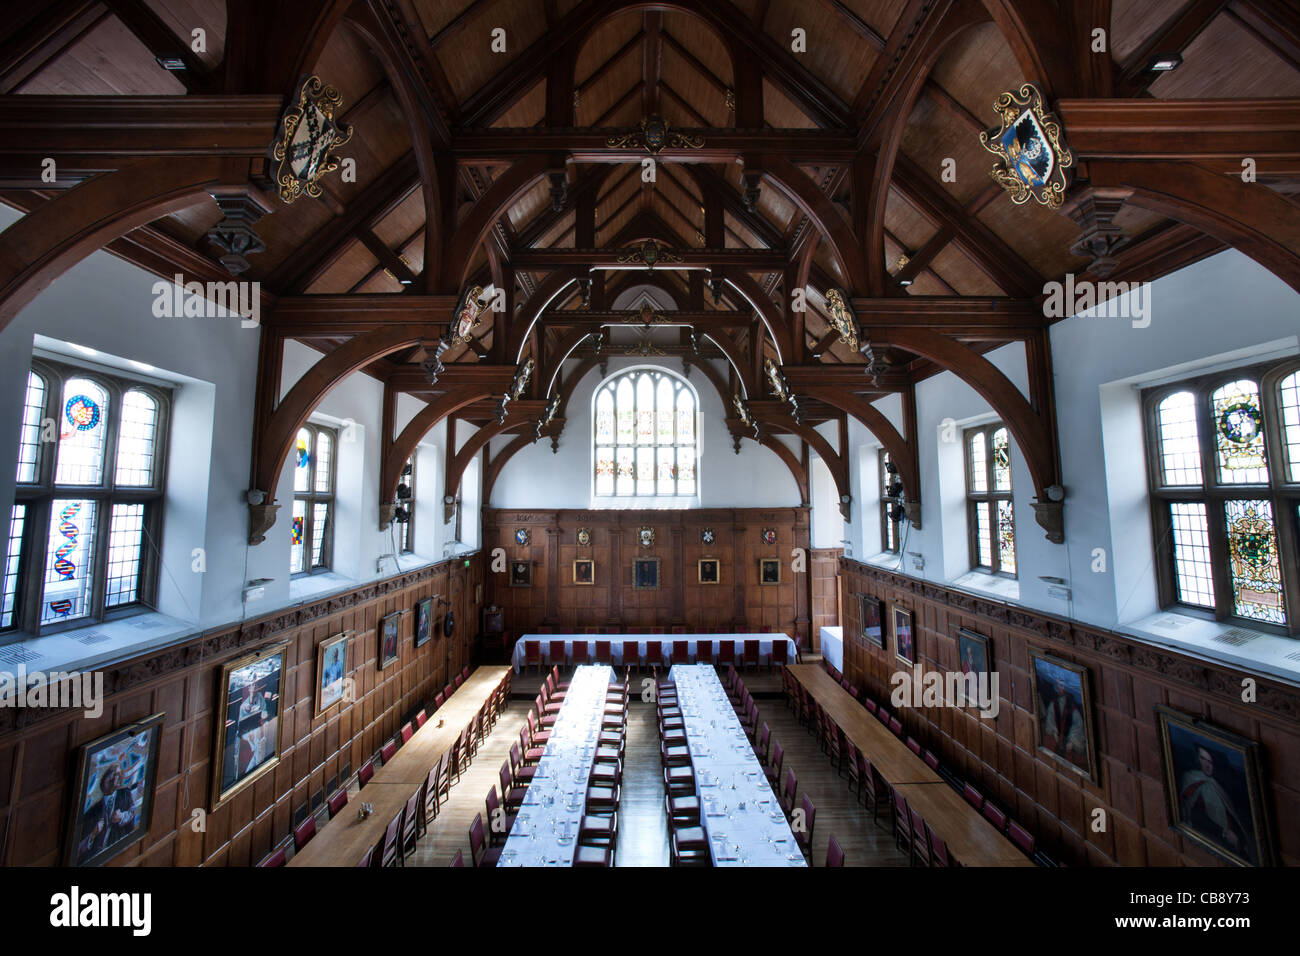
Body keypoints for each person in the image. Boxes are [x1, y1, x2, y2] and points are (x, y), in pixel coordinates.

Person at [1180, 745, 1249, 860]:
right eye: (1203, 759)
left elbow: (1231, 815)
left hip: (1232, 841)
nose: (1206, 765)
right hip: (1210, 839)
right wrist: (1224, 833)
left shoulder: (1218, 785)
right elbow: (1190, 812)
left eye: (1210, 762)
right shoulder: (1191, 778)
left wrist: (1238, 838)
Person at [78, 762, 137, 862]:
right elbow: (79, 848)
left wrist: (122, 816)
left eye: (118, 775)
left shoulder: (125, 794)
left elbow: (132, 813)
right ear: (103, 780)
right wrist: (93, 834)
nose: (116, 778)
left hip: (120, 855)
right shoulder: (92, 812)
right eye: (112, 774)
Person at [1042, 675, 1087, 769]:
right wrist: (1054, 731)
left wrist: (1071, 740)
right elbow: (1050, 721)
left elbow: (1078, 726)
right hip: (1056, 739)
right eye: (1059, 686)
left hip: (1069, 743)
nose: (1061, 689)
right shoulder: (1053, 704)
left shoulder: (1073, 707)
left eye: (1062, 686)